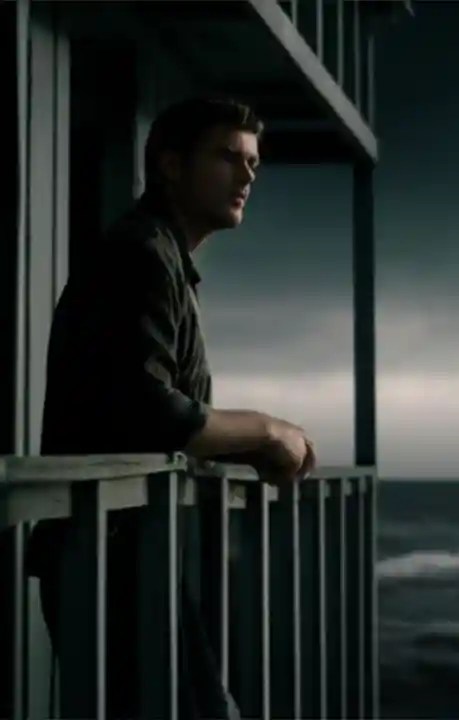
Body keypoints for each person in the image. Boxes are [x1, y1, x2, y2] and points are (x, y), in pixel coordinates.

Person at [27, 96, 317, 719]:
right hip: (105, 556)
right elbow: (151, 410)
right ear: (170, 165)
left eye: (254, 163)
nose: (246, 176)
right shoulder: (141, 253)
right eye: (227, 157)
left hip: (126, 552)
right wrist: (268, 429)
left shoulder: (161, 257)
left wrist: (253, 443)